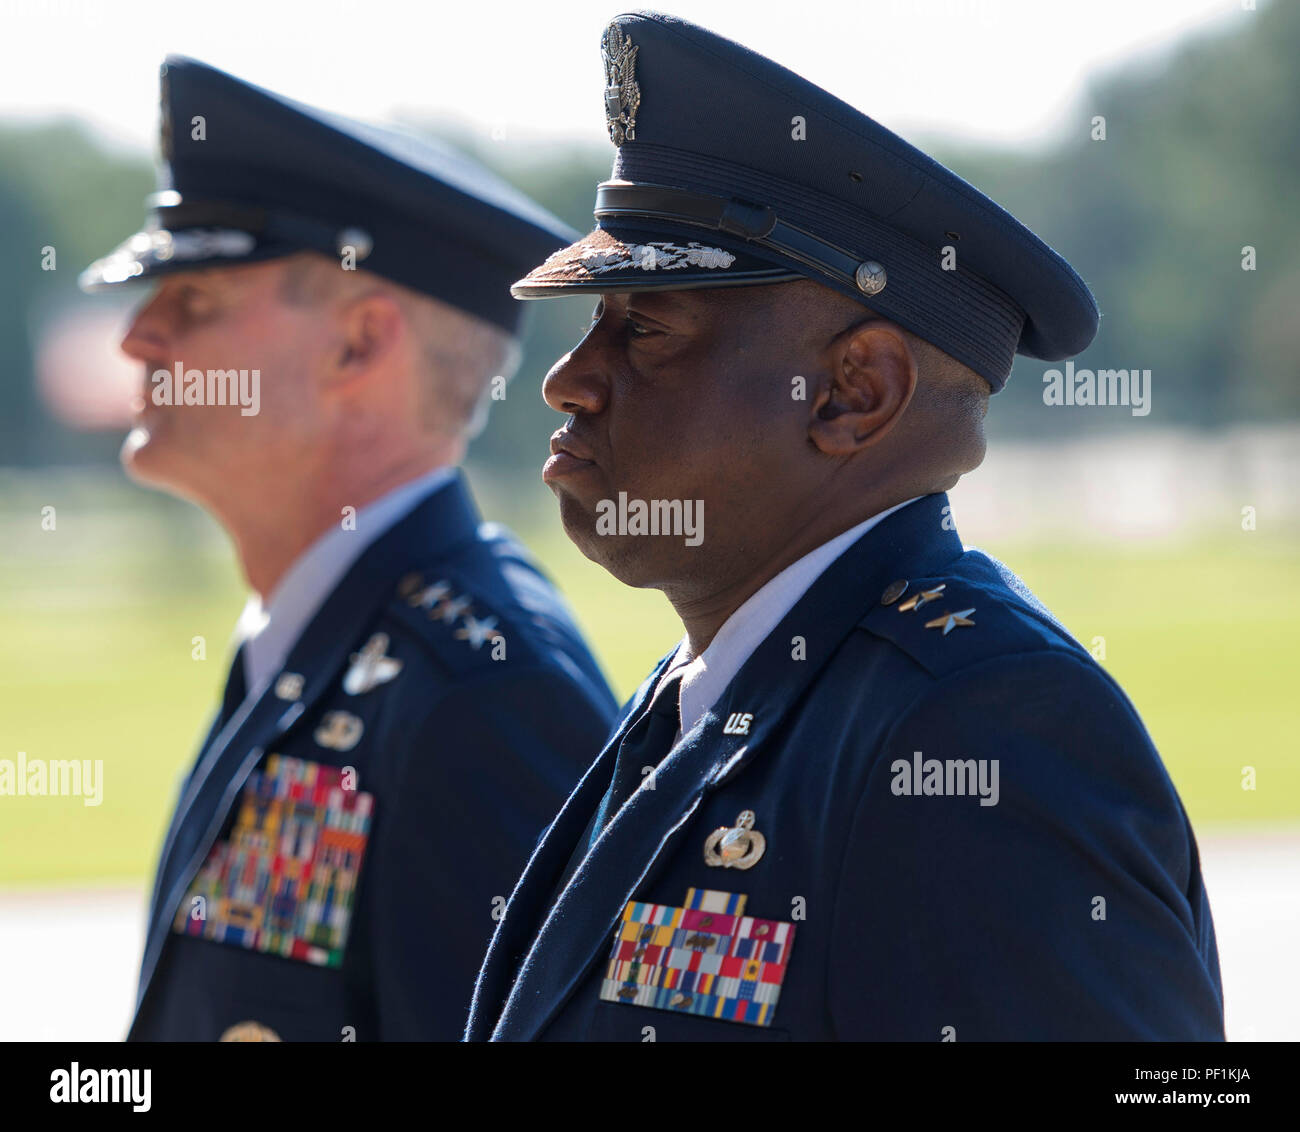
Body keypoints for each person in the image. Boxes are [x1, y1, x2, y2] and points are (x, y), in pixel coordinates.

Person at [466, 11, 1224, 1041]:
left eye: (643, 328)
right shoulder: (724, 692)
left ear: (852, 393)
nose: (568, 378)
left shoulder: (978, 734)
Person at [79, 56, 618, 1041]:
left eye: (192, 302)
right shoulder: (312, 637)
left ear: (358, 348)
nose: (136, 339)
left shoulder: (481, 691)